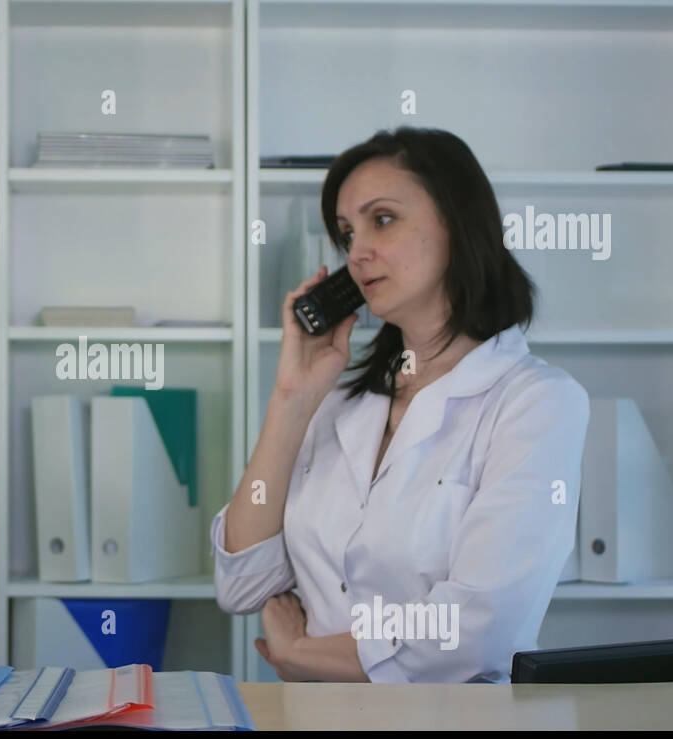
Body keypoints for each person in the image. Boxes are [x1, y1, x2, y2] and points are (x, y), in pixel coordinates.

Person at [213, 127, 590, 683]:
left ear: (457, 225)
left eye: (382, 220)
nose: (357, 253)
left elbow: (480, 633)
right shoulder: (337, 399)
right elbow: (242, 582)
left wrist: (303, 654)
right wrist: (292, 398)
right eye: (346, 234)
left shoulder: (536, 402)